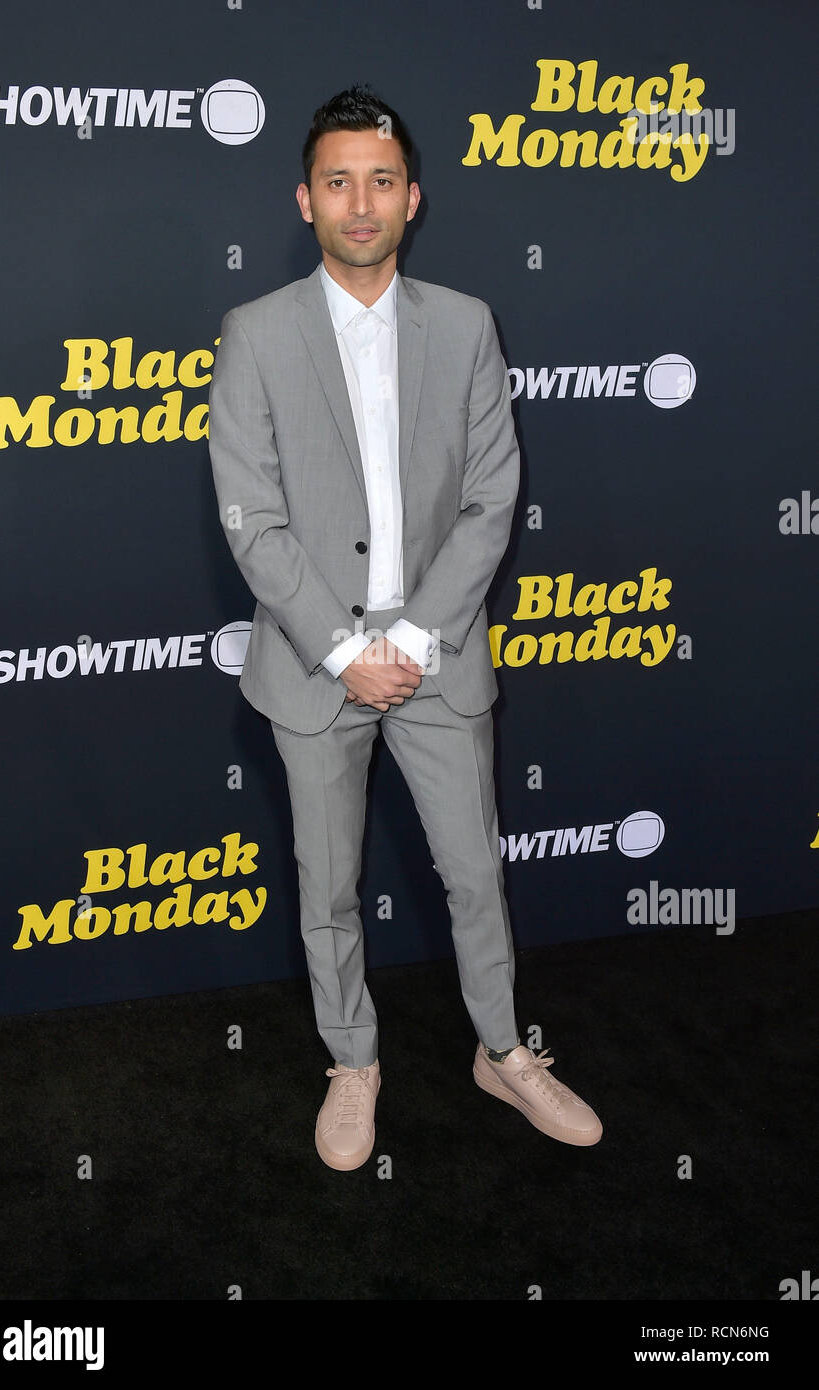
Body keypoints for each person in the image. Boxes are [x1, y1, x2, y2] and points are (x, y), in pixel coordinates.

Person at [209, 85, 602, 1170]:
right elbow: (251, 517)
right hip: (311, 657)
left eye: (380, 180)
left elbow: (491, 497)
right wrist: (343, 651)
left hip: (438, 649)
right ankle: (352, 1061)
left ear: (412, 197)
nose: (360, 201)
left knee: (473, 871)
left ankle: (499, 1050)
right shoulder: (254, 333)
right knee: (326, 884)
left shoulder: (468, 324)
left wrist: (415, 642)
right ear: (305, 200)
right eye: (337, 181)